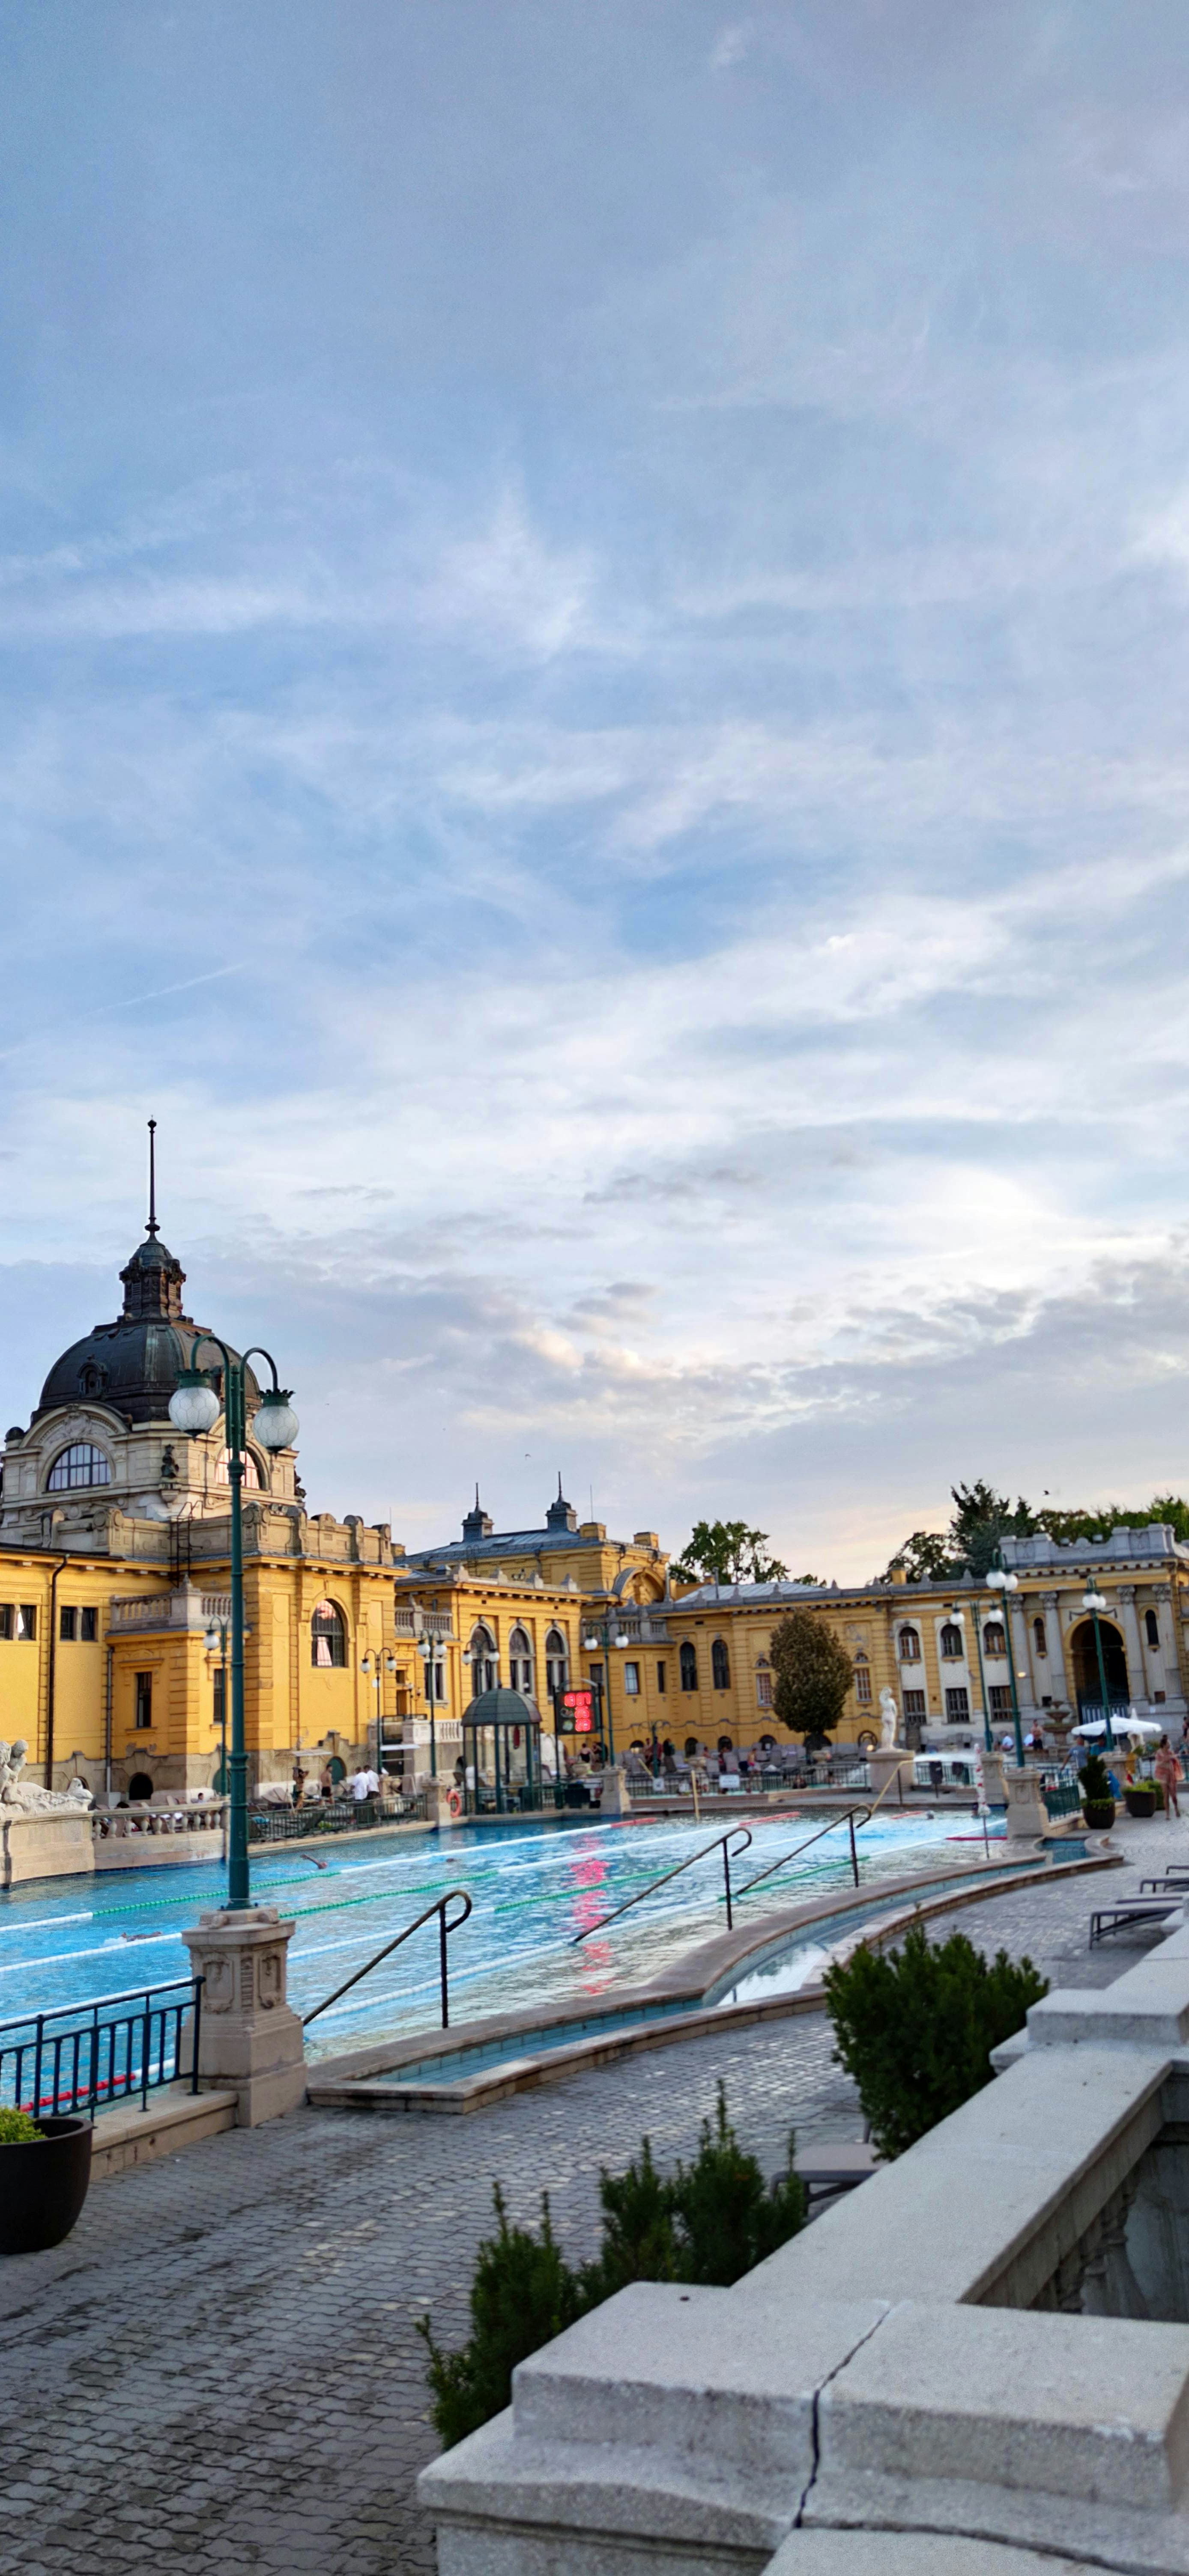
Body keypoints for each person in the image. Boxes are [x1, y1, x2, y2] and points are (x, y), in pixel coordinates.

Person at [1155, 1734, 1183, 1820]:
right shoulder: (1159, 1753)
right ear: (1164, 1745)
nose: (1169, 1745)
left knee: (1173, 1795)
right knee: (1166, 1795)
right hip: (1162, 1775)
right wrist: (1168, 1758)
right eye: (1168, 1743)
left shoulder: (1170, 1753)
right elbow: (1159, 1763)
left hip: (1170, 1775)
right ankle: (1167, 1814)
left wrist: (1174, 1758)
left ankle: (1176, 1808)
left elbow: (1175, 1760)